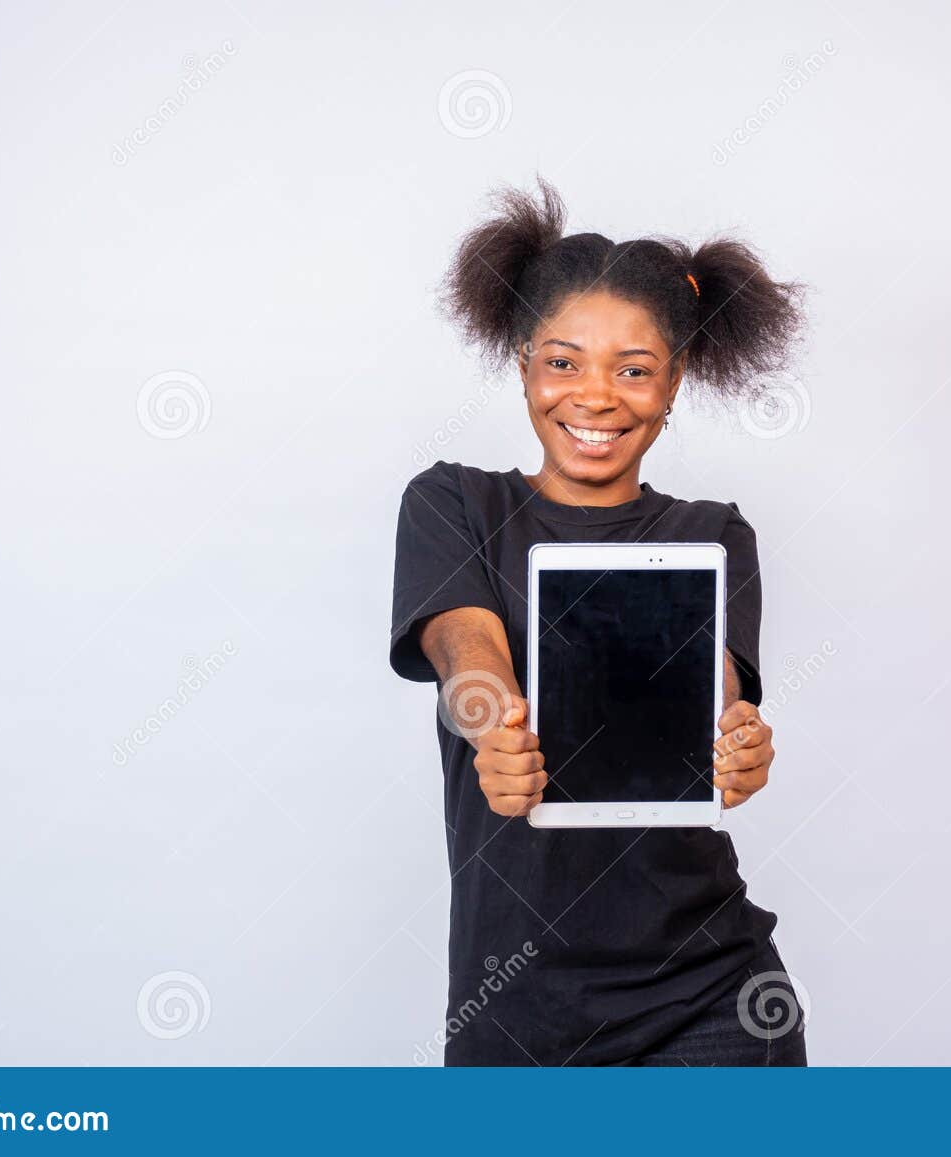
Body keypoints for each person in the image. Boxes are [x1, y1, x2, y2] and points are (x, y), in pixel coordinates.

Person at [389, 179, 808, 1065]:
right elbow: (463, 650)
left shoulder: (714, 533)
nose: (595, 396)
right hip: (515, 1010)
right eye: (563, 361)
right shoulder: (454, 503)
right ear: (523, 363)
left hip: (712, 999)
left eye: (634, 368)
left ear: (674, 381)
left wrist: (731, 733)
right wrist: (491, 723)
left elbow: (718, 678)